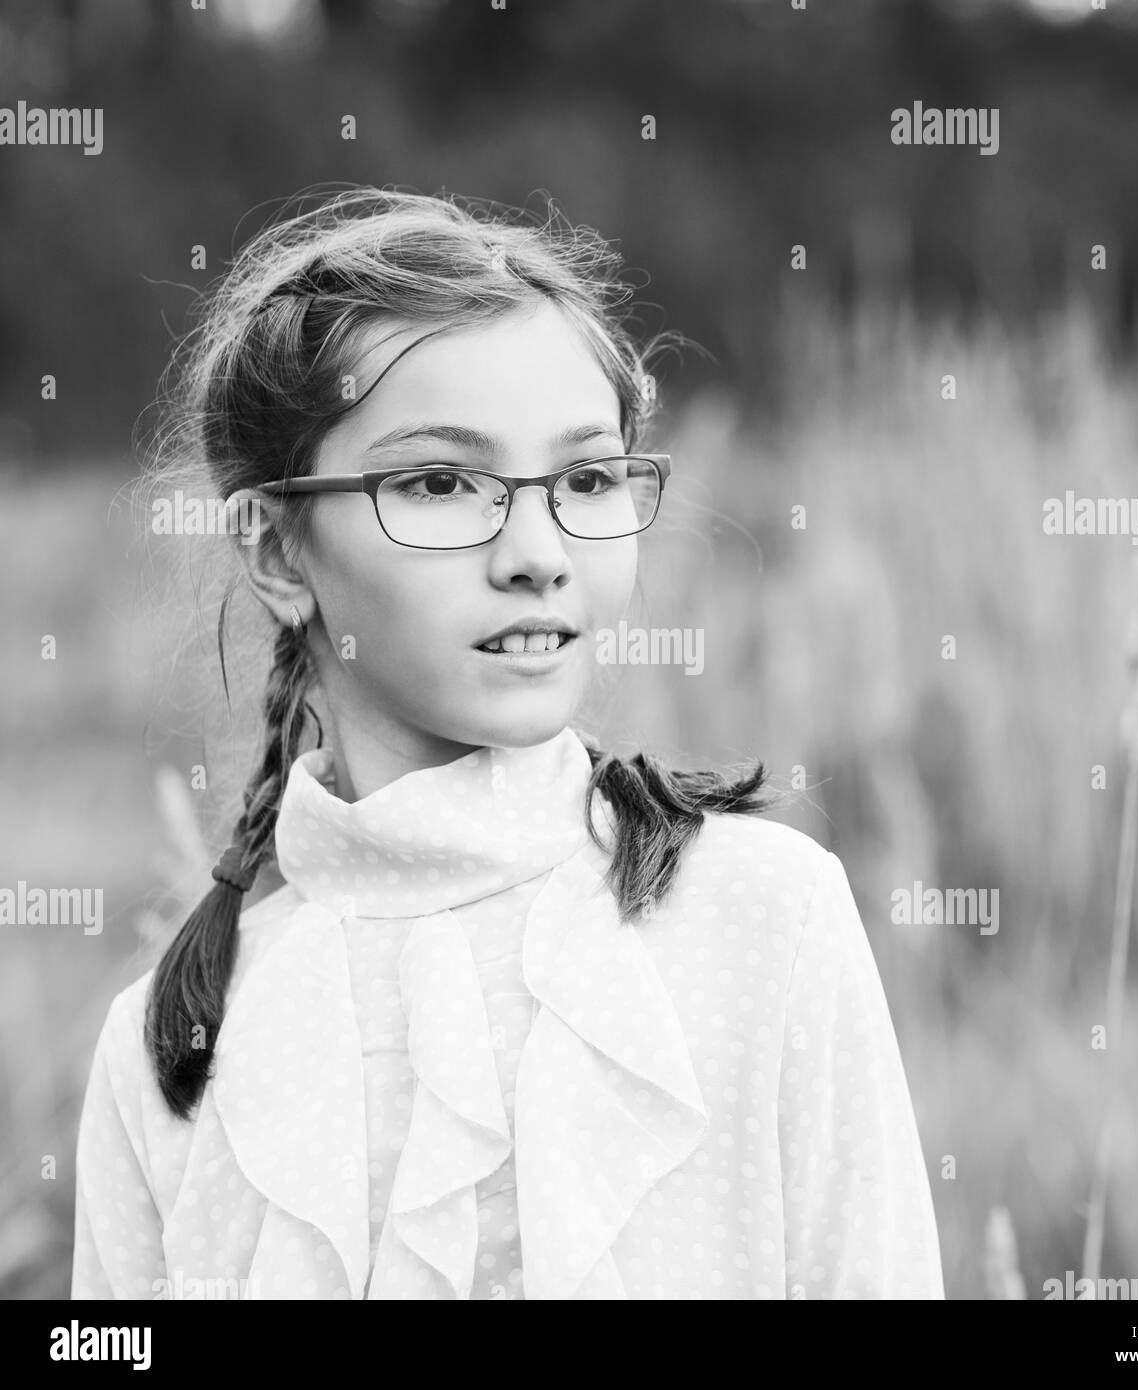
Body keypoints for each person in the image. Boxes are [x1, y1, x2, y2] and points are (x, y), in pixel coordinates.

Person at [71, 187, 944, 1300]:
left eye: (583, 479)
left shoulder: (764, 918)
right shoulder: (172, 1046)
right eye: (440, 482)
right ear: (278, 550)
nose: (537, 551)